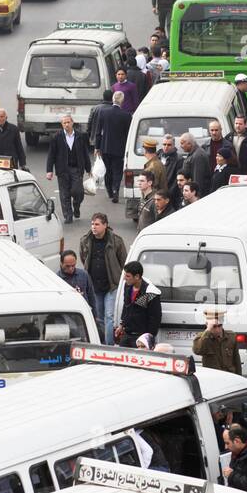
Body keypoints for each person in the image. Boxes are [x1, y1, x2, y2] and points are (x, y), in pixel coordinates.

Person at [79, 213, 126, 345]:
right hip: (94, 286)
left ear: (105, 225)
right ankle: (101, 344)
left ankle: (109, 345)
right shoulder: (85, 240)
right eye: (92, 224)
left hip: (111, 286)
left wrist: (118, 277)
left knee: (109, 317)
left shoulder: (116, 241)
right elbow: (84, 258)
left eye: (97, 224)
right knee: (99, 318)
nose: (94, 227)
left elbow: (123, 261)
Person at [46, 114, 93, 224]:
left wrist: (88, 169)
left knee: (78, 191)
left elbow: (85, 153)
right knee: (64, 193)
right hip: (62, 169)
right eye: (64, 123)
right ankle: (68, 215)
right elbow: (51, 155)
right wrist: (49, 171)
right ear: (62, 124)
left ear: (72, 123)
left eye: (68, 122)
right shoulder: (56, 137)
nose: (66, 124)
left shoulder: (80, 136)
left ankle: (76, 206)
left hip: (76, 169)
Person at [115, 261, 161, 348]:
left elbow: (155, 318)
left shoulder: (150, 293)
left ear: (137, 276)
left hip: (141, 337)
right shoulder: (128, 286)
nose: (125, 278)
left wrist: (148, 337)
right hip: (127, 333)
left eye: (128, 276)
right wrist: (121, 325)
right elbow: (126, 306)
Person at [192, 307, 241, 374]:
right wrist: (208, 330)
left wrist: (239, 377)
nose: (217, 329)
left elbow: (237, 360)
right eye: (214, 326)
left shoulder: (231, 336)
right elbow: (197, 351)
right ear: (207, 325)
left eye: (220, 326)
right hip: (214, 377)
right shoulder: (203, 338)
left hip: (229, 376)